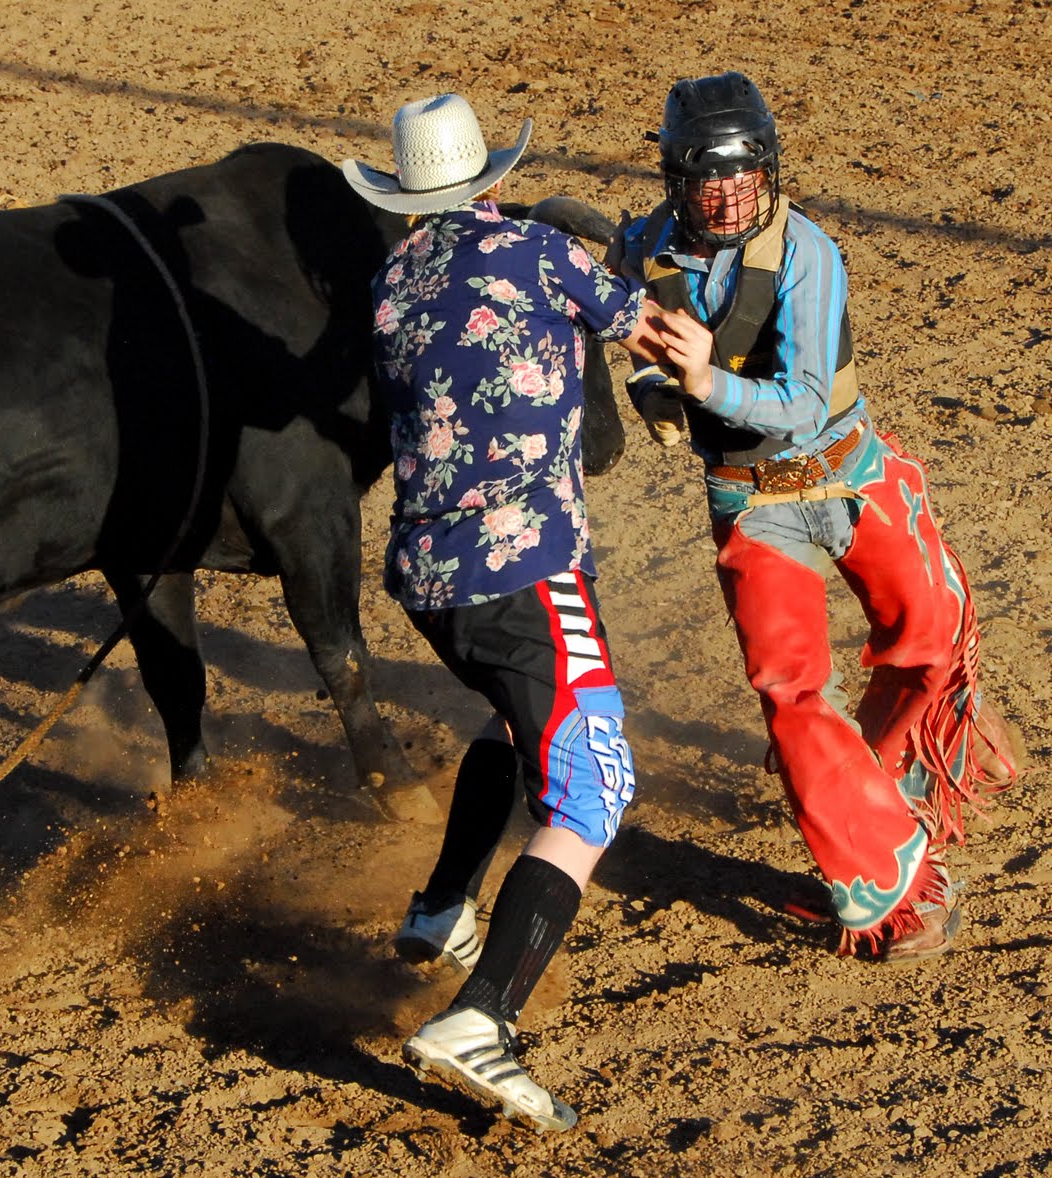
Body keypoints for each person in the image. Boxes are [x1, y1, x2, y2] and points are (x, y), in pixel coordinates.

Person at [611, 71, 1023, 961]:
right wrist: (657, 388)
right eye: (704, 177)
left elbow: (800, 401)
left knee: (929, 638)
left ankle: (892, 785)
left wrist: (700, 382)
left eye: (741, 175)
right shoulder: (640, 250)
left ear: (767, 170)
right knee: (790, 692)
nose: (725, 195)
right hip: (752, 503)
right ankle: (889, 880)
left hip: (848, 472)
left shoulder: (809, 252)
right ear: (674, 180)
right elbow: (641, 351)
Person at [341, 93, 654, 1131]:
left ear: (405, 197)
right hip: (527, 568)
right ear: (493, 181)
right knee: (595, 785)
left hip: (430, 581)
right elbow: (638, 322)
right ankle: (480, 1017)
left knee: (510, 718)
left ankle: (441, 906)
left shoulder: (389, 282)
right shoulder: (530, 247)